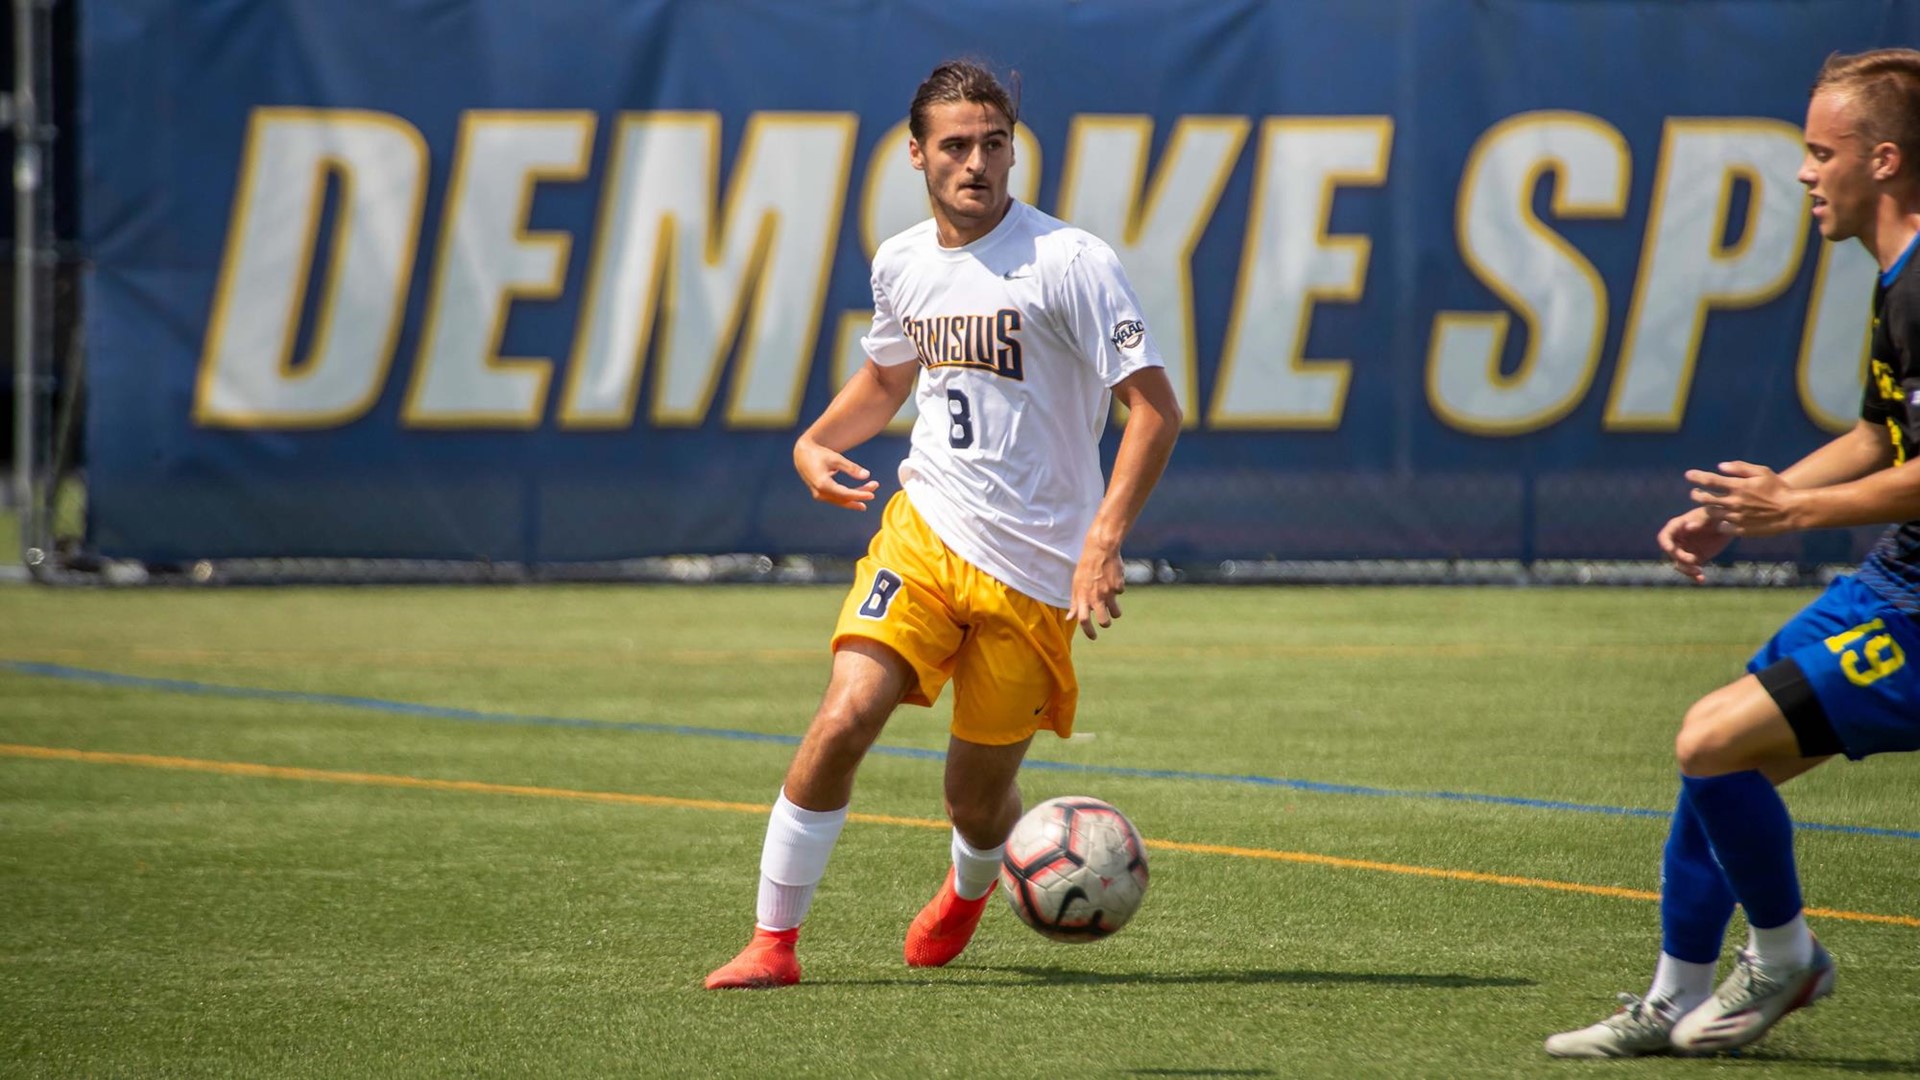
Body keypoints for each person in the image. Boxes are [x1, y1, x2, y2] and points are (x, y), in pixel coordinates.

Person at [705, 59, 1181, 990]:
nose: (977, 164)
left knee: (972, 797)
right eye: (956, 146)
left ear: (1013, 151)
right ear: (916, 154)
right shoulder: (901, 261)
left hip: (1036, 571)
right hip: (923, 534)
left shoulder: (1071, 263)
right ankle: (774, 942)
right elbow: (889, 375)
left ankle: (968, 890)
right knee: (844, 716)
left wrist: (1103, 541)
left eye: (994, 145)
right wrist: (814, 441)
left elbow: (1154, 410)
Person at [1546, 48, 1920, 1057]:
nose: (1804, 172)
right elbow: (1885, 436)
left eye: (1819, 151)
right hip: (1896, 580)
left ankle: (1788, 959)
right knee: (1714, 748)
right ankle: (1676, 993)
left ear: (1883, 161)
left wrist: (1793, 517)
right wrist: (1754, 505)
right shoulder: (1896, 277)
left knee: (1714, 742)